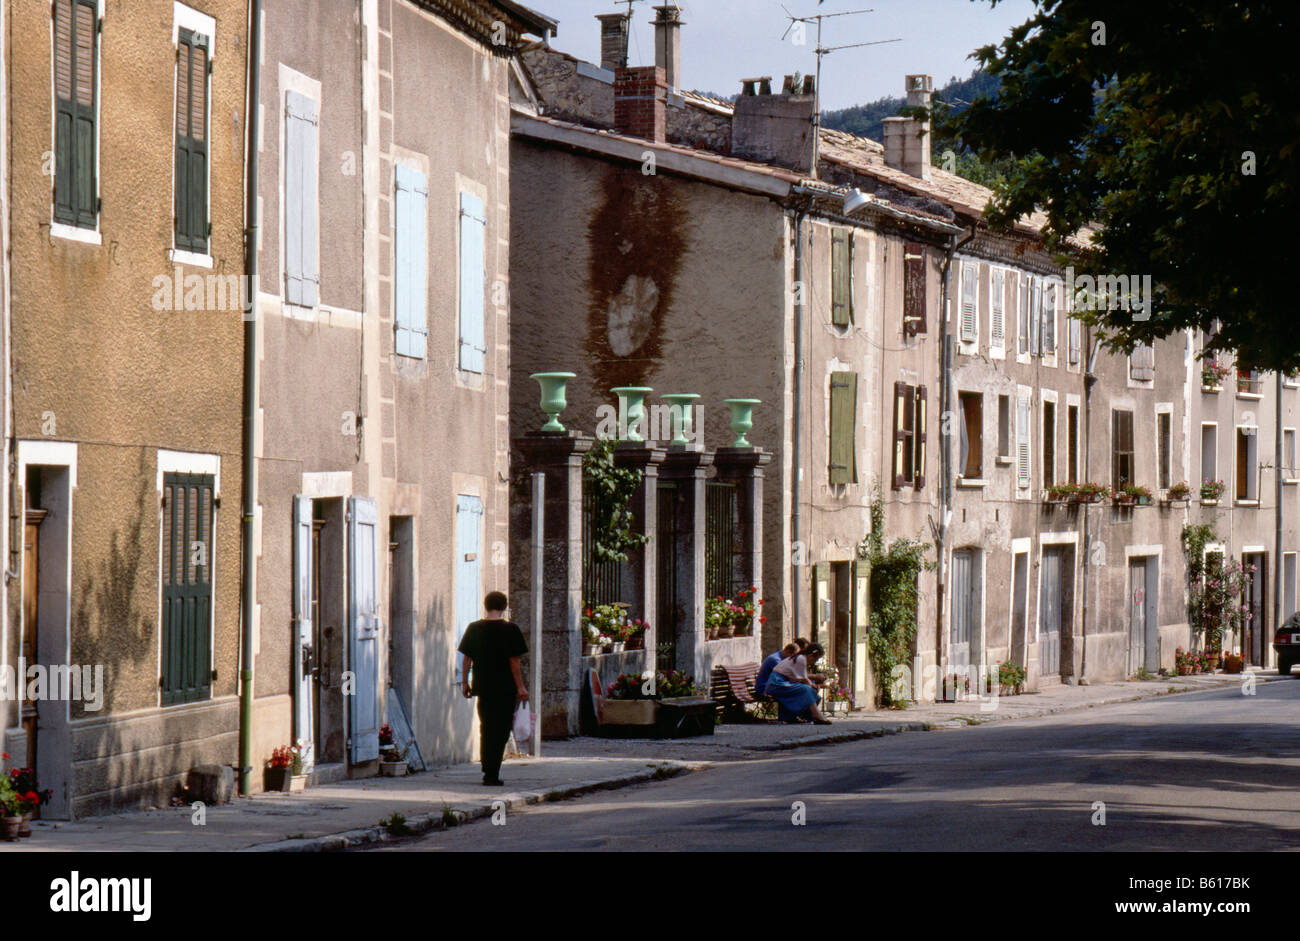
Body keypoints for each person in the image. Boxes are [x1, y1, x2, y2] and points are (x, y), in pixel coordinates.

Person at [457, 591, 529, 786]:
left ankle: (488, 768)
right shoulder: (511, 630)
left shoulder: (474, 628)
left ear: (486, 605)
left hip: (483, 686)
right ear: (504, 607)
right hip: (505, 688)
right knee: (502, 730)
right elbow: (514, 662)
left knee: (486, 727)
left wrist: (465, 682)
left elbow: (466, 659)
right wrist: (521, 687)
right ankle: (492, 771)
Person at [764, 642, 831, 724]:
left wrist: (812, 686)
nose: (813, 662)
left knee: (809, 689)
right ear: (810, 656)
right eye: (815, 660)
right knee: (806, 689)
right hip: (776, 684)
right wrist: (813, 686)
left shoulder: (799, 657)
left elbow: (798, 679)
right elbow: (804, 679)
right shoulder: (801, 659)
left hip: (781, 682)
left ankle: (808, 716)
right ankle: (817, 715)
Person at [755, 640, 803, 723]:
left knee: (795, 689)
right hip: (763, 688)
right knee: (789, 691)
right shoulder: (775, 660)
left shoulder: (781, 658)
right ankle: (787, 717)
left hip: (772, 685)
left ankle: (792, 716)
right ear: (788, 652)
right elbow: (788, 674)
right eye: (793, 656)